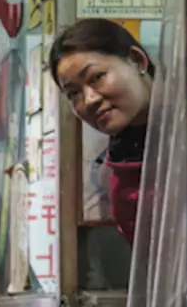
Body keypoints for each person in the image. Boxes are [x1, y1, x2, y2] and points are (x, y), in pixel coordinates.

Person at [48, 19, 154, 246]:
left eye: (96, 77)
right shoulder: (119, 162)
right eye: (73, 93)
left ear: (136, 60)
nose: (90, 99)